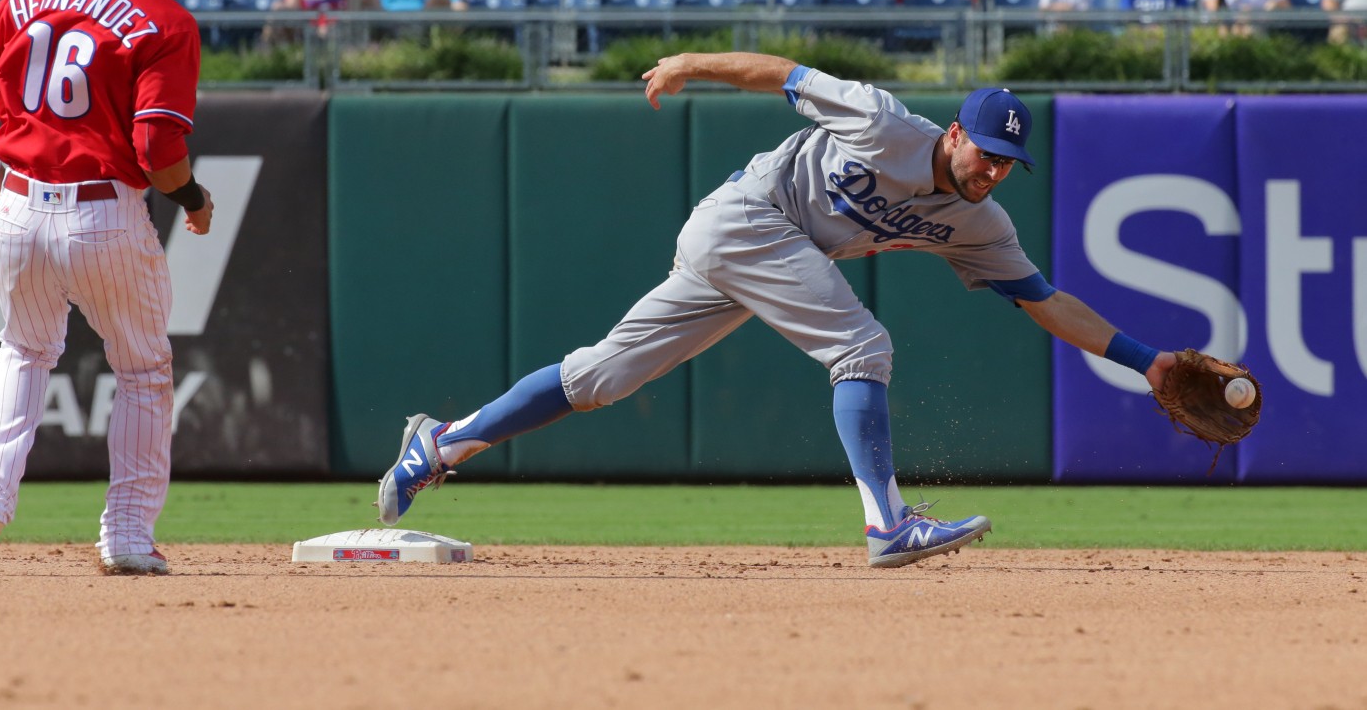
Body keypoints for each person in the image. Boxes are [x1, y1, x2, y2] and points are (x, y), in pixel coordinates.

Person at [373, 55, 1186, 570]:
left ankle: (438, 444)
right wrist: (692, 61)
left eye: (1009, 163)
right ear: (953, 133)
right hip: (748, 217)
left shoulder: (980, 223)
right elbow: (786, 74)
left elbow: (1045, 302)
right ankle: (888, 523)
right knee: (862, 346)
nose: (994, 171)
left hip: (763, 255)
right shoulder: (880, 120)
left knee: (599, 378)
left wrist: (1146, 359)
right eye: (986, 151)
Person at [0, 0, 212, 578]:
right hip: (104, 211)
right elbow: (157, 153)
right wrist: (192, 198)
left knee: (22, 353)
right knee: (144, 369)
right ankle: (124, 533)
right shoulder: (165, 20)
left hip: (22, 205)